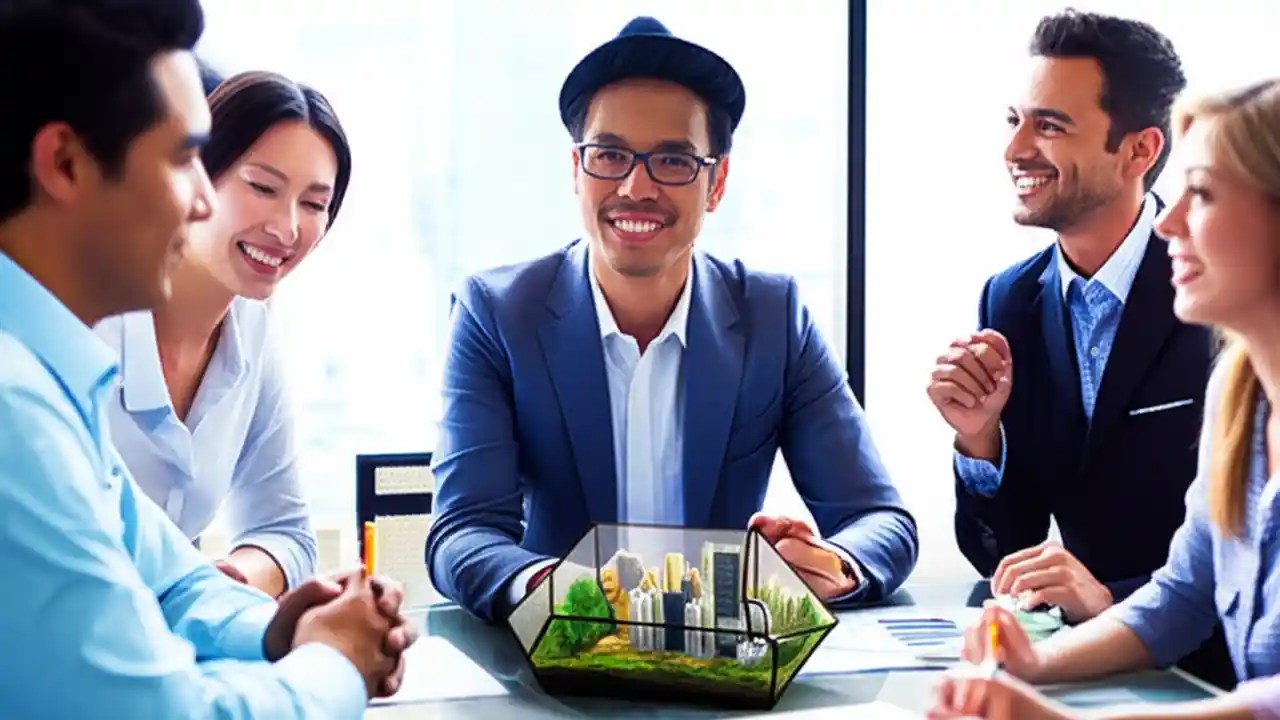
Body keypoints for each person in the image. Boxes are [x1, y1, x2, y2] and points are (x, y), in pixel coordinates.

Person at [425, 16, 918, 622]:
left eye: (674, 161)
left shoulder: (774, 317)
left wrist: (828, 566)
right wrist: (551, 591)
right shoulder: (497, 313)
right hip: (560, 671)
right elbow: (463, 532)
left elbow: (880, 522)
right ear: (576, 170)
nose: (636, 187)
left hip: (725, 672)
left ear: (717, 183)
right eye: (609, 156)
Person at [0, 2, 411, 717]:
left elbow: (170, 577)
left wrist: (287, 627)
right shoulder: (14, 412)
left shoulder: (50, 381)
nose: (201, 201)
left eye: (315, 202)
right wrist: (336, 662)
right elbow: (164, 712)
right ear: (64, 162)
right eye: (184, 158)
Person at [932, 77, 1280, 718]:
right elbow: (1183, 593)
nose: (1169, 220)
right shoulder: (1241, 399)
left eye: (1200, 194)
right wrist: (1036, 664)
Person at [926, 11, 1213, 622]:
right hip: (1088, 667)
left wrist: (1115, 603)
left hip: (1219, 669)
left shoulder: (1220, 292)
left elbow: (1255, 558)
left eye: (1049, 125)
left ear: (1139, 150)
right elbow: (1002, 555)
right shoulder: (1009, 300)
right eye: (1014, 121)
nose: (1015, 149)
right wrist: (980, 440)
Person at [94, 70, 352, 597]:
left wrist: (228, 580)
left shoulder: (253, 329)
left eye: (314, 204)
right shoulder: (91, 316)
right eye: (262, 187)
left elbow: (283, 530)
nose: (287, 229)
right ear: (195, 177)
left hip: (174, 638)